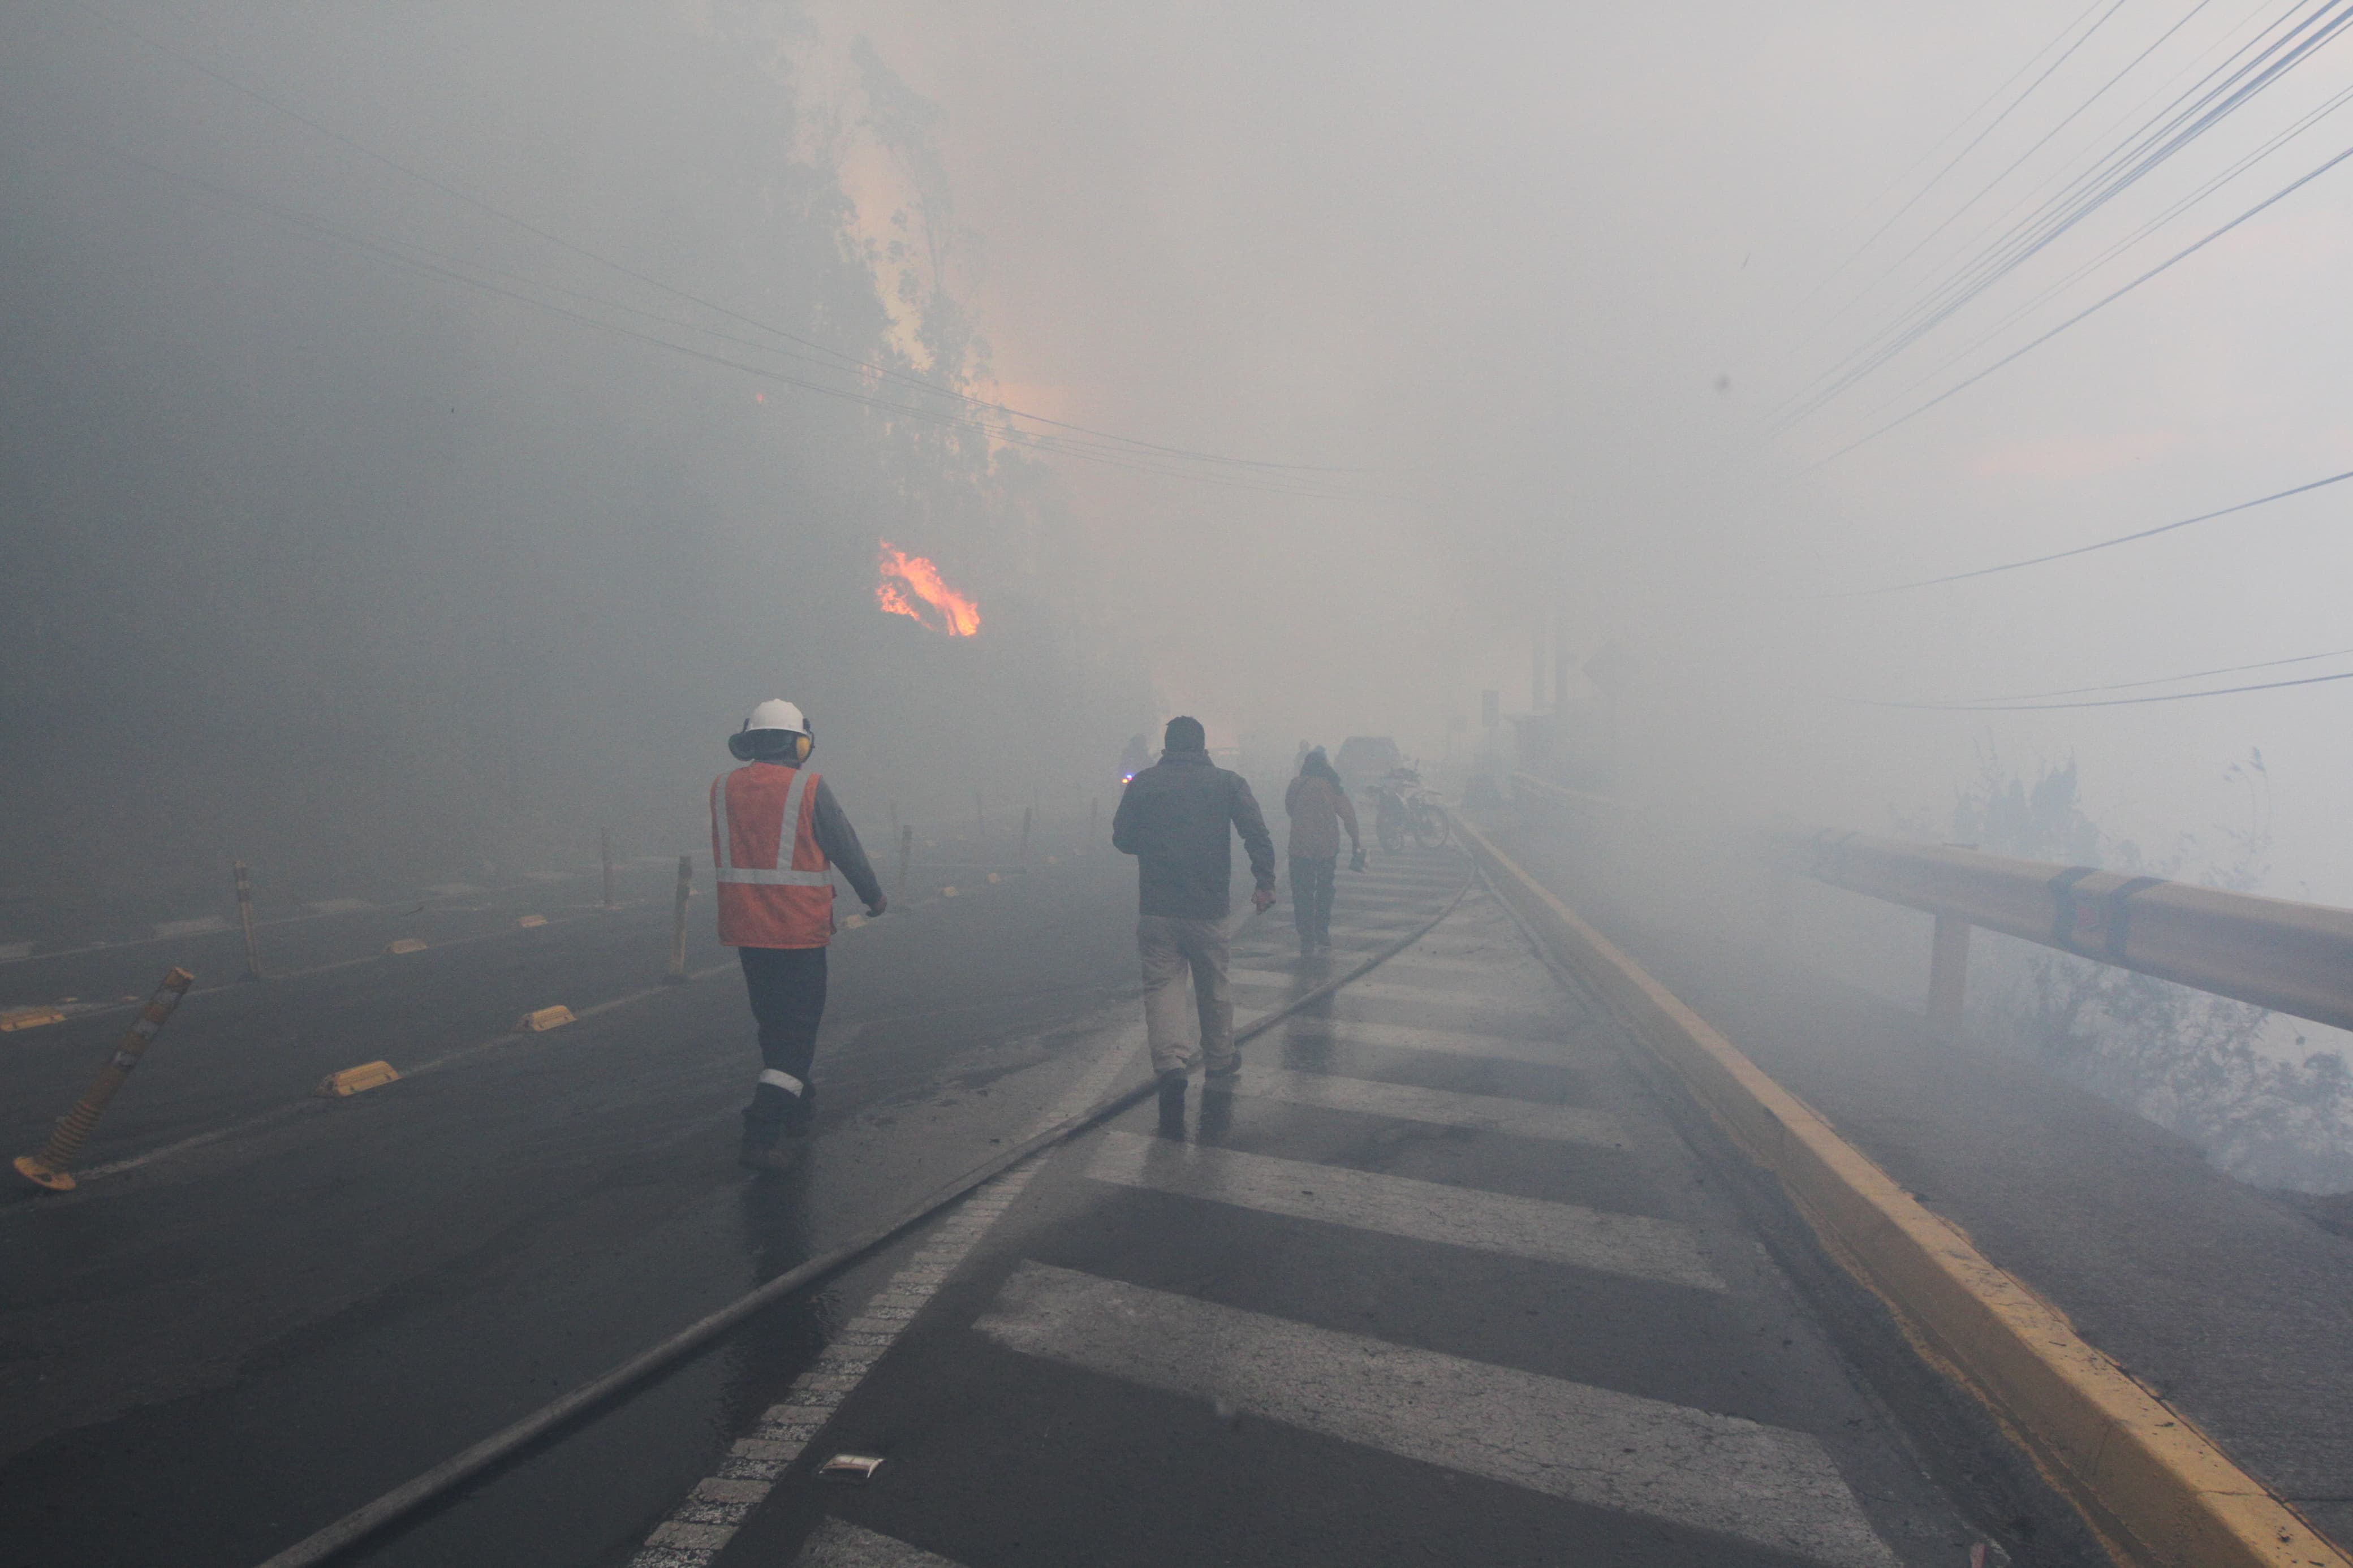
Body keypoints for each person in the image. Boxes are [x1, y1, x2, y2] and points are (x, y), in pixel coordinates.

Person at [711, 698, 886, 1173]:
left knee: (775, 1026)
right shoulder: (808, 787)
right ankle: (761, 1132)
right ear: (799, 744)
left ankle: (797, 1105)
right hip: (797, 933)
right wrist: (873, 894)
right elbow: (844, 844)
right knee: (797, 1039)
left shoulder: (723, 787)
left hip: (747, 931)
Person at [1111, 716, 1276, 1109]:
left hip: (1157, 907)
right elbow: (1256, 832)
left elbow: (1122, 838)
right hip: (1208, 905)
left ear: (1166, 748)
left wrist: (1155, 845)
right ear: (1203, 748)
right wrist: (1264, 882)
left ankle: (1171, 1063)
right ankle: (1219, 1058)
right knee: (1213, 983)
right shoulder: (1228, 783)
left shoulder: (1143, 783)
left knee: (1162, 986)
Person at [1284, 746, 1360, 957]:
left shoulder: (1296, 784)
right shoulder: (1332, 785)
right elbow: (1349, 816)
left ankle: (1306, 936)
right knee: (1325, 889)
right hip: (1327, 847)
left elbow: (1290, 809)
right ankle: (1322, 931)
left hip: (1300, 848)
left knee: (1302, 892)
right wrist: (1356, 842)